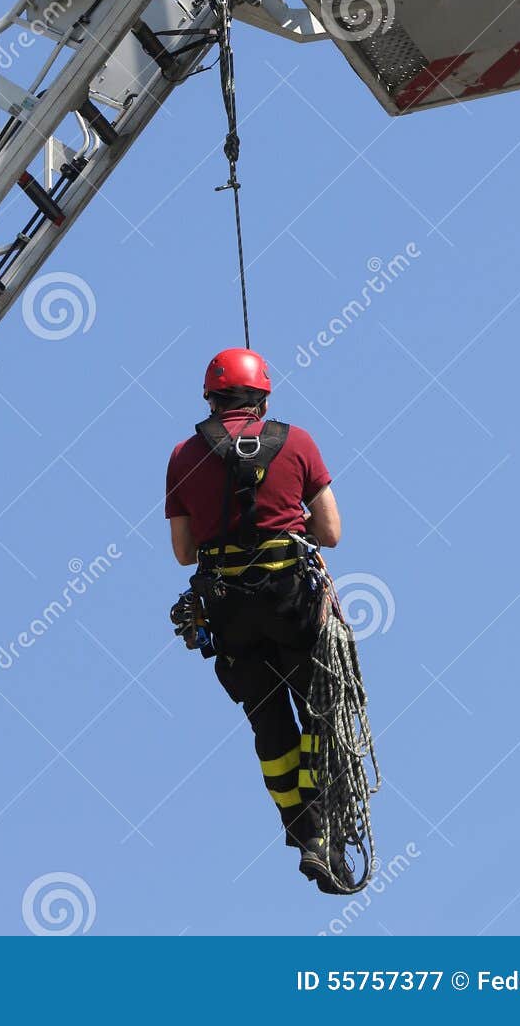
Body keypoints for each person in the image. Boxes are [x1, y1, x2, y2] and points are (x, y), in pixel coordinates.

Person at [165, 346, 349, 891]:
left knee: (269, 722)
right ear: (263, 395)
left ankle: (299, 826)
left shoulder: (182, 455)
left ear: (210, 397)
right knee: (320, 706)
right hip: (290, 600)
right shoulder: (297, 443)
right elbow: (332, 533)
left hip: (229, 613)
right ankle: (323, 833)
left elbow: (182, 552)